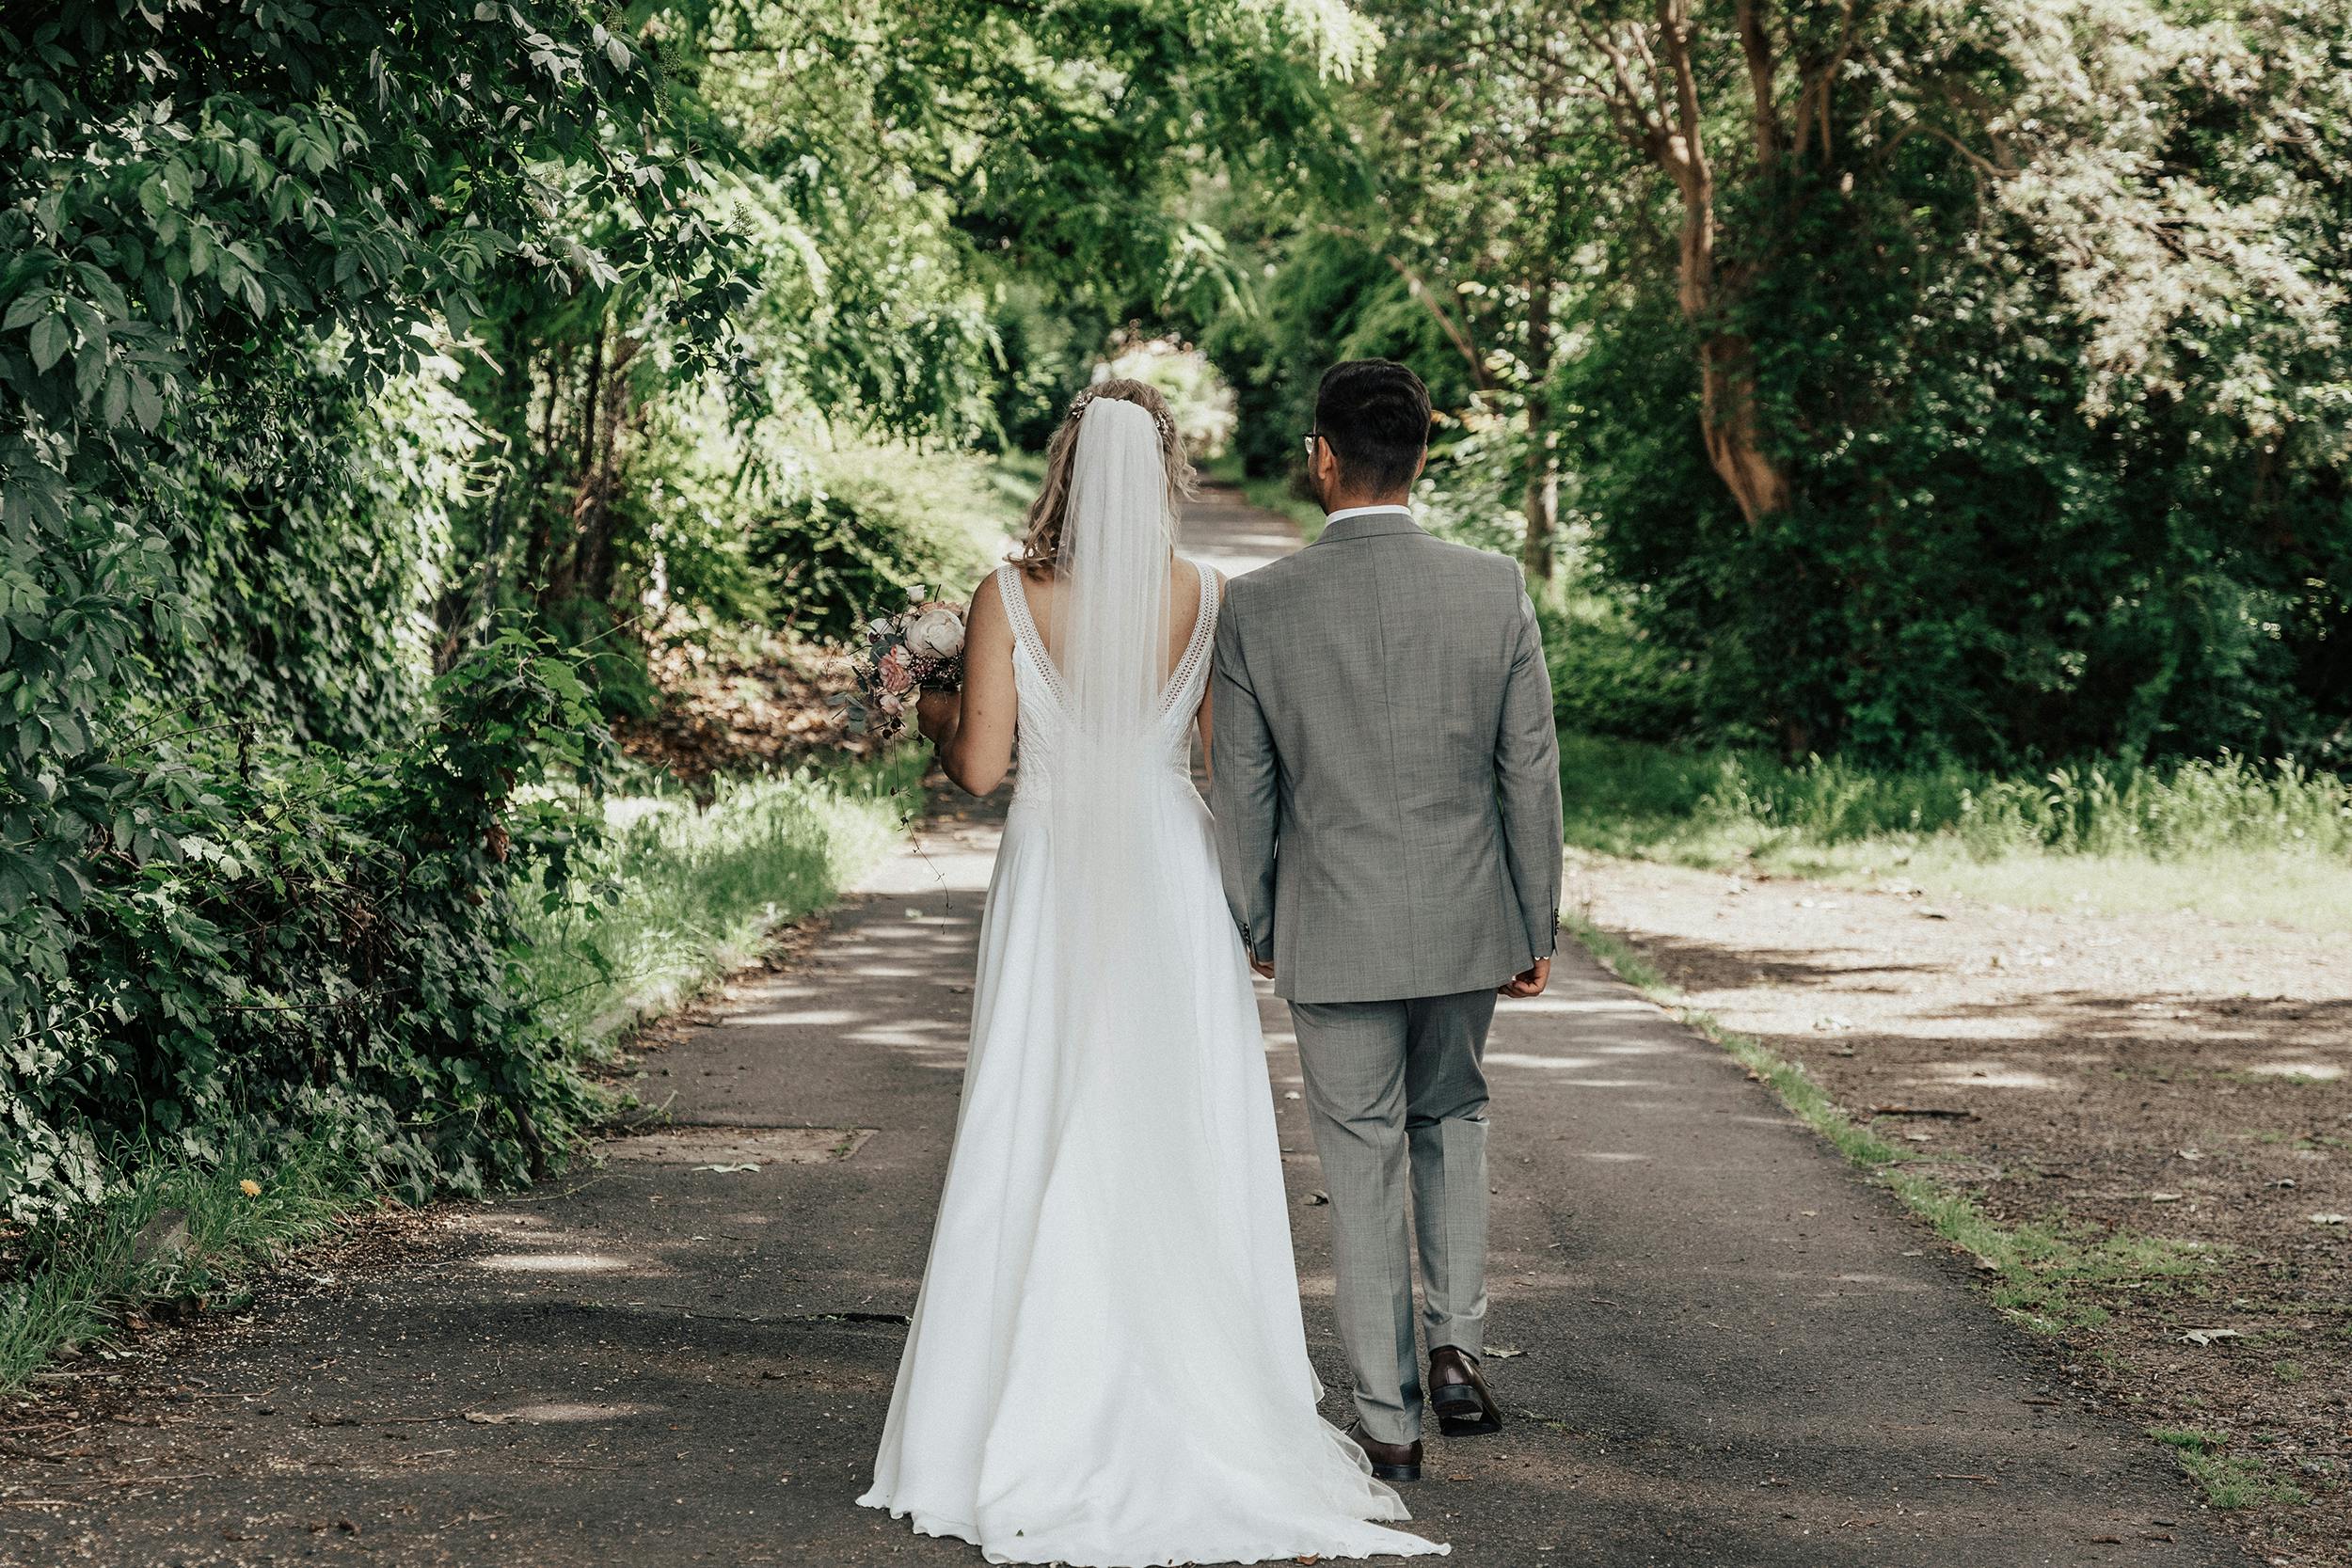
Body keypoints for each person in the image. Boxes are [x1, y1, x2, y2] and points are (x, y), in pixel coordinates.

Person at [858, 379, 1448, 1563]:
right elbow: (1230, 771)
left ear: (1066, 468)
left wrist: (919, 698)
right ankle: (1192, 1378)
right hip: (1171, 873)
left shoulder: (1006, 594)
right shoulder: (1207, 598)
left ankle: (1017, 1394)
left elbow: (977, 766)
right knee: (1170, 1122)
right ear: (1165, 474)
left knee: (1036, 1103)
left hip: (1055, 870)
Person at [1210, 358, 1564, 1485]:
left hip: (1332, 924)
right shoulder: (1492, 583)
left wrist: (1257, 917)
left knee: (1357, 1157)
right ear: (1421, 454)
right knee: (1451, 1116)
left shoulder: (1257, 604)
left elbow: (1246, 788)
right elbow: (1528, 770)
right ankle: (1455, 1345)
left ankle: (1389, 1419)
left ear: (1322, 455)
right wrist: (1533, 919)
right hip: (1467, 916)